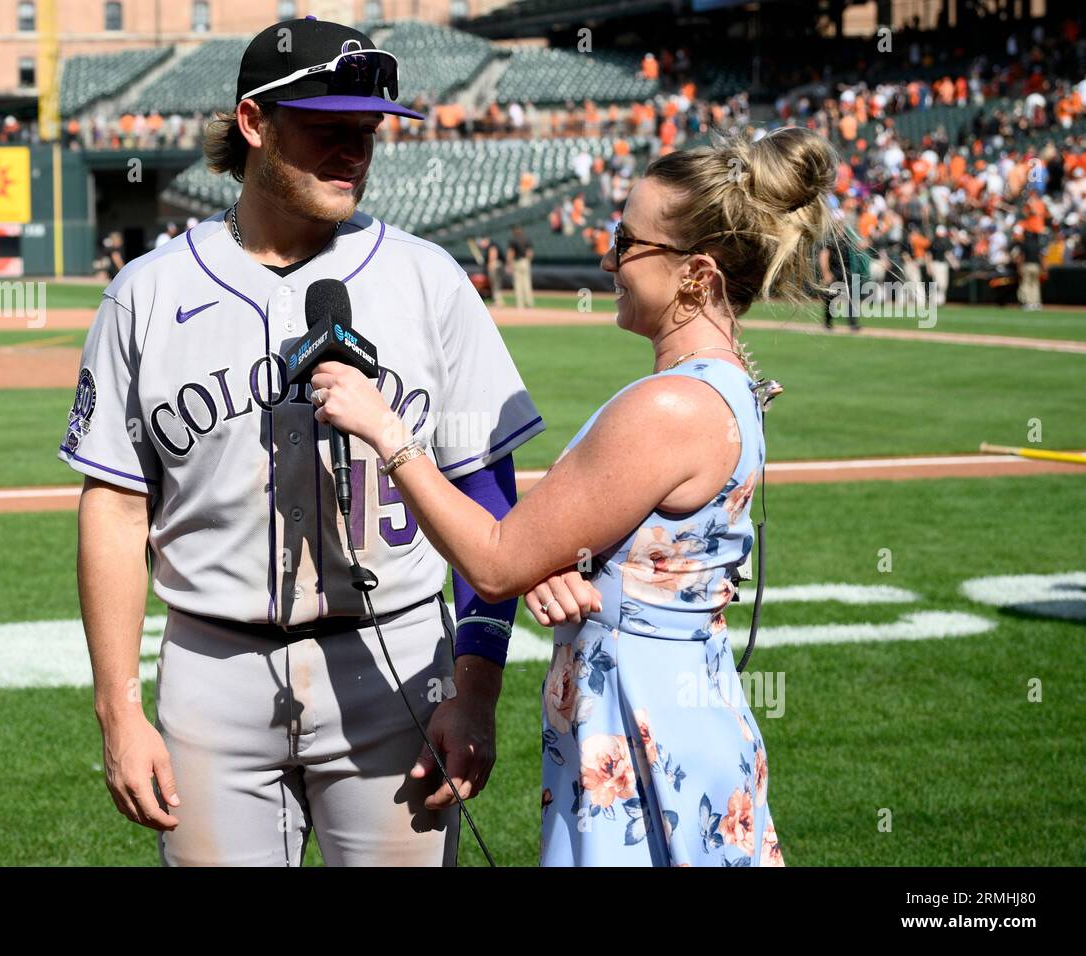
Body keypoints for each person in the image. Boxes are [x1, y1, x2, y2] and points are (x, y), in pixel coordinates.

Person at [61, 16, 544, 868]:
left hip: (397, 659)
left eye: (367, 133)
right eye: (328, 130)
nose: (354, 153)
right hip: (213, 668)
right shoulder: (146, 294)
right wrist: (117, 710)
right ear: (253, 124)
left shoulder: (429, 281)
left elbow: (489, 497)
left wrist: (477, 690)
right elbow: (113, 506)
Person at [310, 126, 838, 867]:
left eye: (628, 242)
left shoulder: (668, 408)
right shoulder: (716, 390)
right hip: (670, 713)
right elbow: (605, 542)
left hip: (639, 727)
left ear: (697, 274)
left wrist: (388, 434)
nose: (609, 257)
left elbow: (493, 564)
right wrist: (562, 562)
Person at [507, 225, 535, 308]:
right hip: (525, 261)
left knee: (518, 284)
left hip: (517, 262)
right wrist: (528, 261)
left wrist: (509, 264)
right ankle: (529, 302)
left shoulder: (513, 240)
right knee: (527, 283)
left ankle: (520, 303)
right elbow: (530, 252)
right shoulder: (526, 239)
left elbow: (510, 253)